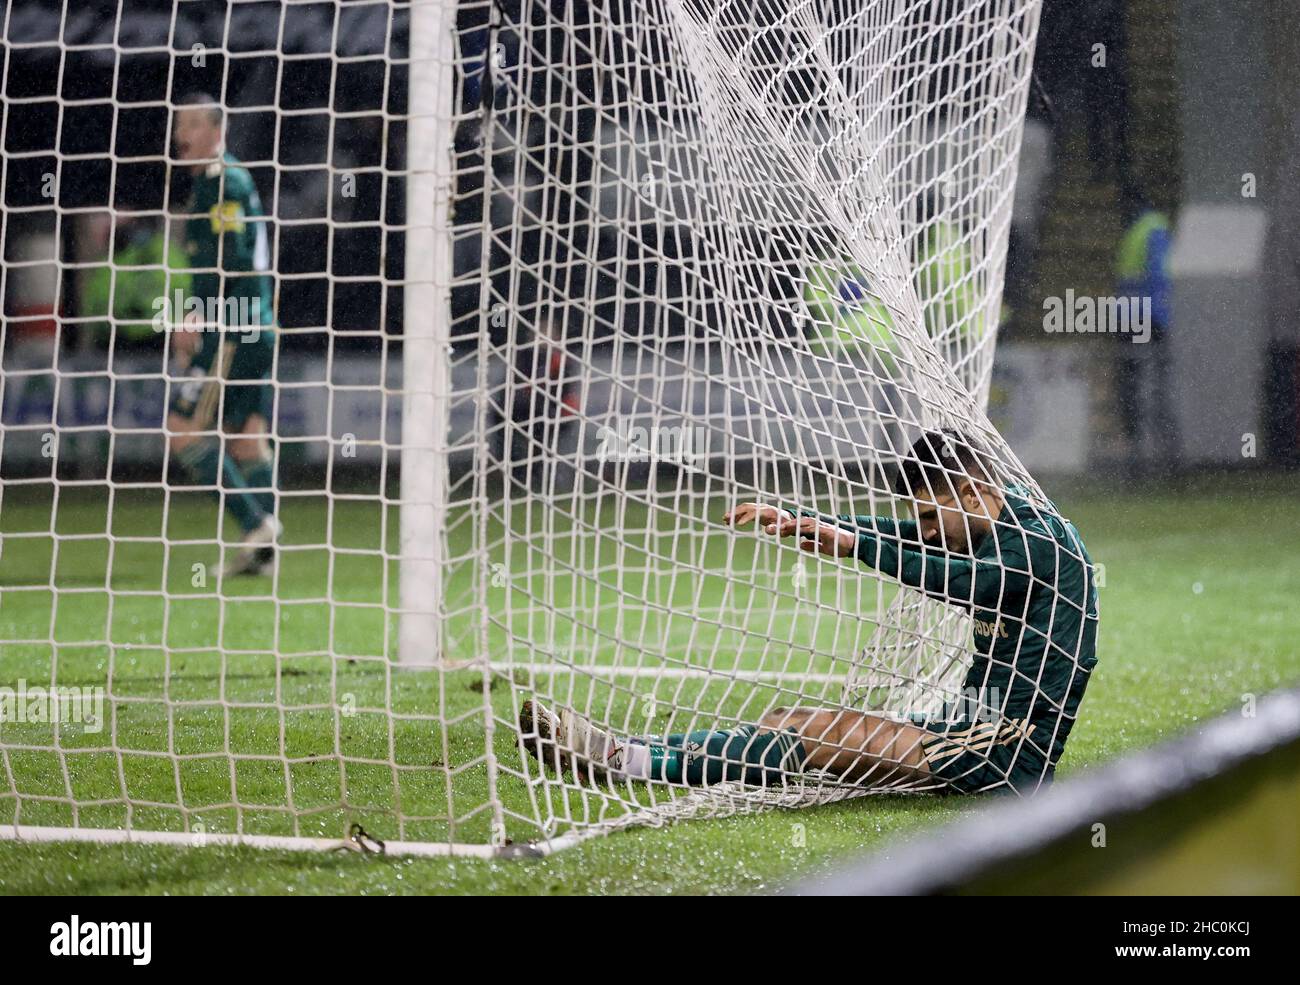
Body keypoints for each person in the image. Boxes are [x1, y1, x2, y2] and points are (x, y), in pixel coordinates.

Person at [519, 430, 1098, 795]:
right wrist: (808, 519)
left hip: (1004, 748)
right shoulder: (999, 525)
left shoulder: (1039, 543)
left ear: (974, 495)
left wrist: (855, 547)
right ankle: (629, 749)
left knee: (810, 732)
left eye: (929, 515)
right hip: (968, 726)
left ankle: (618, 758)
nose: (923, 530)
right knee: (781, 721)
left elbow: (966, 580)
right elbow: (907, 538)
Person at [167, 93, 281, 576]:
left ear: (217, 131)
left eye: (192, 124)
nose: (182, 135)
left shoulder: (224, 183)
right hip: (253, 321)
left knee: (181, 432)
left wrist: (194, 312)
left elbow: (232, 257)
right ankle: (261, 552)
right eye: (179, 125)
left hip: (232, 323)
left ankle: (256, 524)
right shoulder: (213, 183)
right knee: (246, 439)